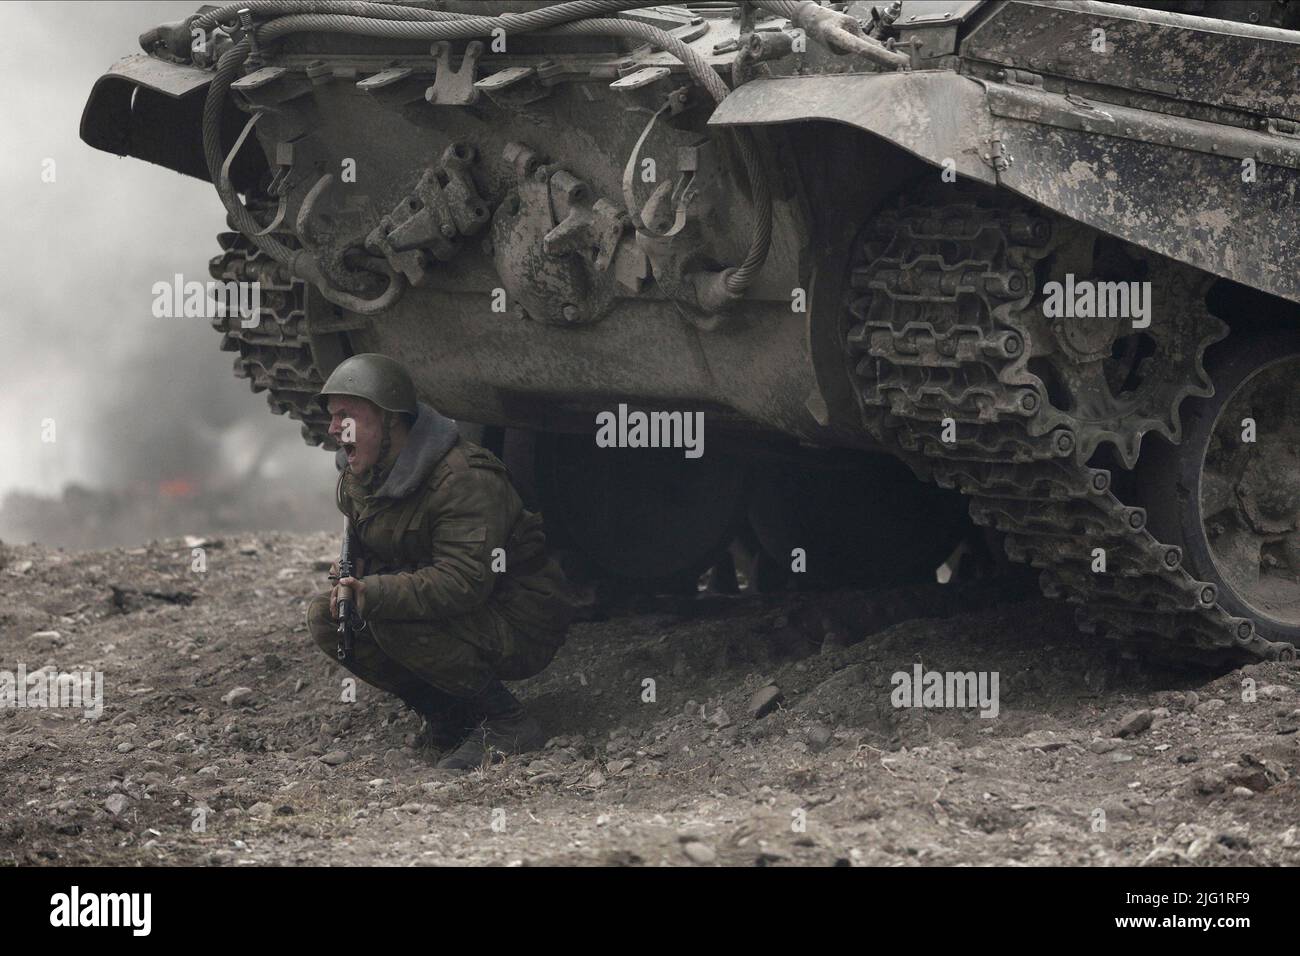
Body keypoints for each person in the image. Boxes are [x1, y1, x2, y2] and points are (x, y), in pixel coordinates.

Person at [304, 353, 574, 770]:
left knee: (387, 613)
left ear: (390, 419)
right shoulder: (363, 479)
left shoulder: (464, 479)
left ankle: (507, 722)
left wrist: (374, 592)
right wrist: (356, 579)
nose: (333, 428)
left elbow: (464, 580)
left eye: (346, 416)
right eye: (332, 417)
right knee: (328, 617)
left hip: (521, 616)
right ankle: (450, 716)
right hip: (467, 606)